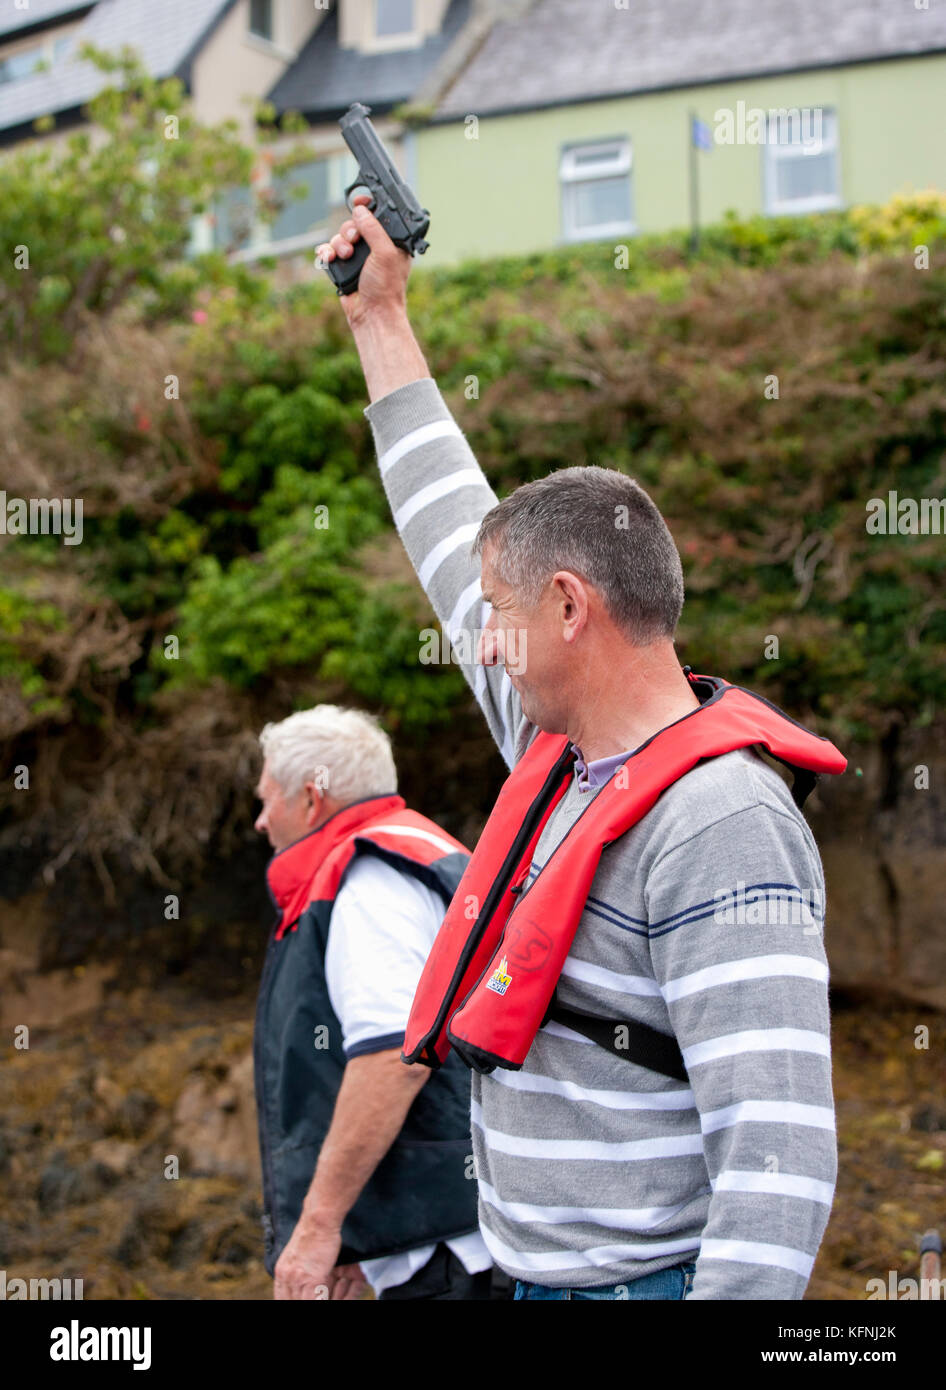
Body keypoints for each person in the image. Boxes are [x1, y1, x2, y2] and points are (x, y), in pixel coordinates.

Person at [314, 203, 842, 1301]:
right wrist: (379, 318)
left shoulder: (721, 821)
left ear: (567, 607)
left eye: (497, 608)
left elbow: (777, 1158)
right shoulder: (553, 753)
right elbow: (441, 513)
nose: (474, 631)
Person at [252, 703, 497, 1300]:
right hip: (459, 1235)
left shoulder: (367, 884)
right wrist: (365, 1246)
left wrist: (318, 1229)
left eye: (266, 800)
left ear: (313, 799)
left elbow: (393, 1060)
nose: (260, 821)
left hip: (451, 1254)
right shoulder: (415, 855)